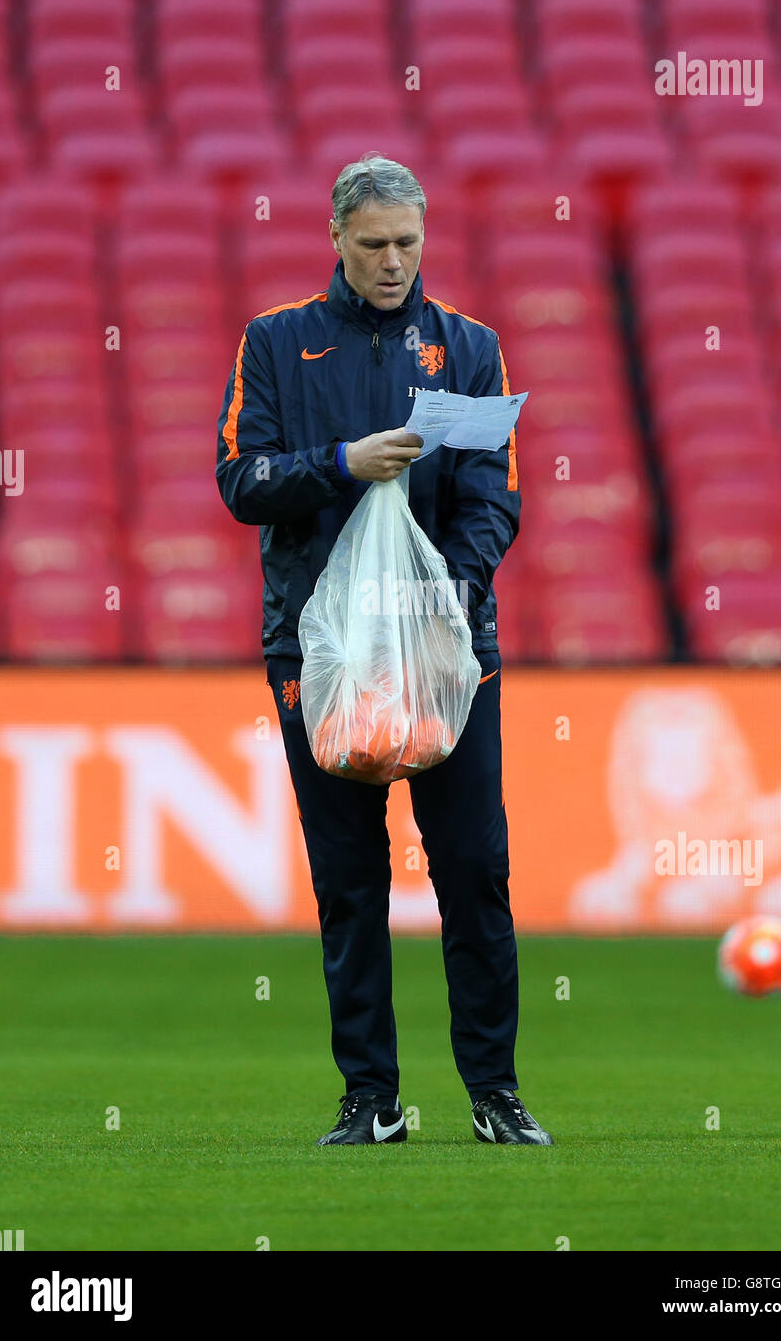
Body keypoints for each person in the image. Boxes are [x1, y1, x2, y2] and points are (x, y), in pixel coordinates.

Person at [216, 153, 551, 1147]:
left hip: (448, 654)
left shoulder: (470, 346)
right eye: (373, 246)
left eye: (408, 241)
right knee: (349, 878)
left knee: (475, 867)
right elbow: (240, 479)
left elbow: (496, 493)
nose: (394, 261)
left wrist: (444, 593)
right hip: (317, 654)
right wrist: (340, 465)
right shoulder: (275, 344)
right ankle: (370, 1100)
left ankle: (493, 1092)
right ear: (335, 241)